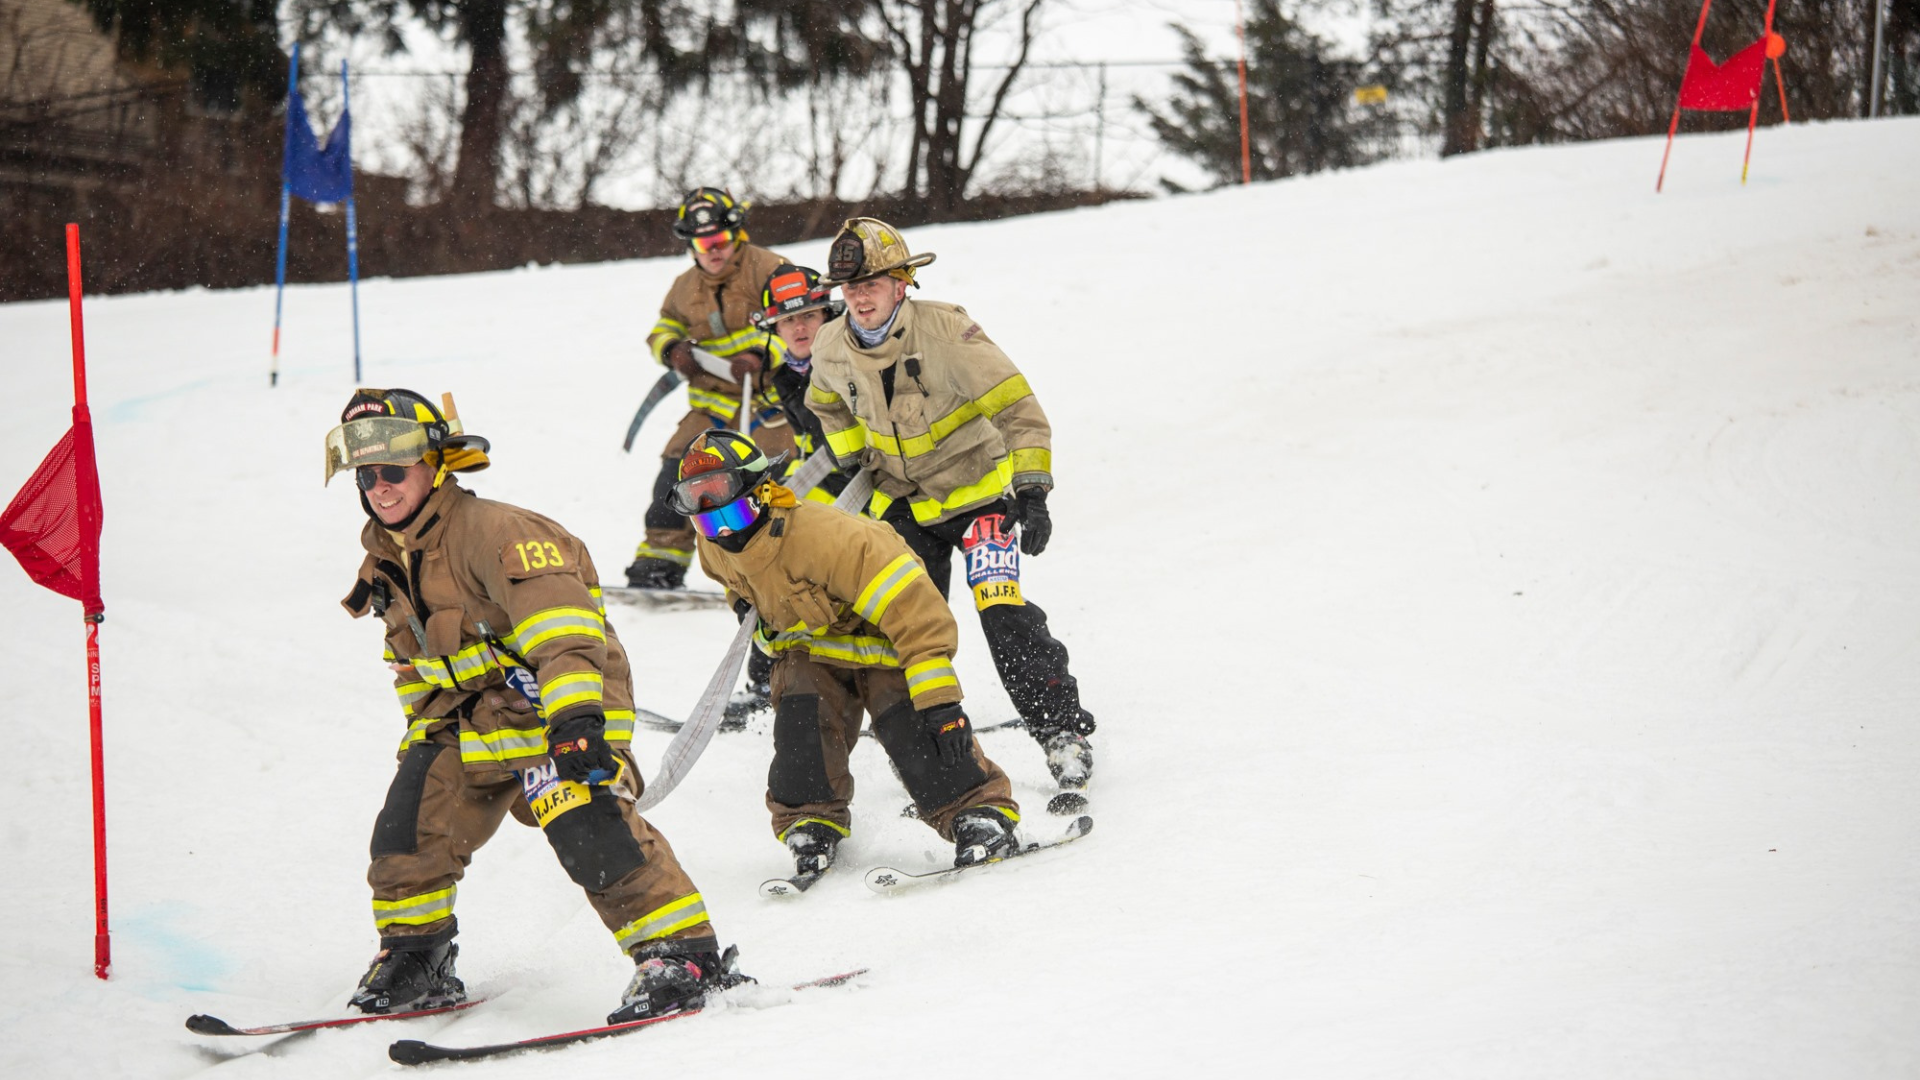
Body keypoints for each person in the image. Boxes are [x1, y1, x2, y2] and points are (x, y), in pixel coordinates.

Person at [327, 388, 739, 1025]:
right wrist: (422, 737)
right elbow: (411, 664)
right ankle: (418, 956)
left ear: (435, 465)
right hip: (466, 723)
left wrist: (576, 722)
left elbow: (566, 635)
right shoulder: (387, 556)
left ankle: (680, 956)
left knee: (587, 826)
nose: (379, 487)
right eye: (367, 474)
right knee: (406, 835)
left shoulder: (502, 533)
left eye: (393, 471)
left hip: (559, 714)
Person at [805, 218, 1098, 791]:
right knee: (908, 630)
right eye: (851, 286)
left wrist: (1032, 490)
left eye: (874, 282)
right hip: (903, 507)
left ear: (902, 284)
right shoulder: (830, 346)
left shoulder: (947, 334)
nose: (860, 297)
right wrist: (853, 461)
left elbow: (1020, 411)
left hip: (981, 499)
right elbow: (825, 405)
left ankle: (1062, 732)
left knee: (1002, 613)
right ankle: (934, 761)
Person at [674, 429, 1023, 875]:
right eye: (696, 502)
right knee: (800, 720)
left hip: (887, 645)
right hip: (815, 651)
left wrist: (943, 704)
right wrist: (744, 605)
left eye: (721, 496)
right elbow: (738, 582)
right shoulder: (715, 546)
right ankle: (811, 822)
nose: (715, 520)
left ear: (759, 490)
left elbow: (917, 615)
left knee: (909, 727)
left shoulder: (831, 539)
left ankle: (977, 814)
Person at [626, 187, 796, 592]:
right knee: (675, 480)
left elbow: (804, 320)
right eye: (704, 243)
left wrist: (763, 353)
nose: (714, 250)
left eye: (720, 240)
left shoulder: (771, 268)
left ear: (737, 234)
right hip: (712, 407)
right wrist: (672, 350)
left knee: (770, 488)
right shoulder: (684, 287)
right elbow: (664, 326)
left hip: (771, 405)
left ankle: (778, 573)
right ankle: (658, 566)